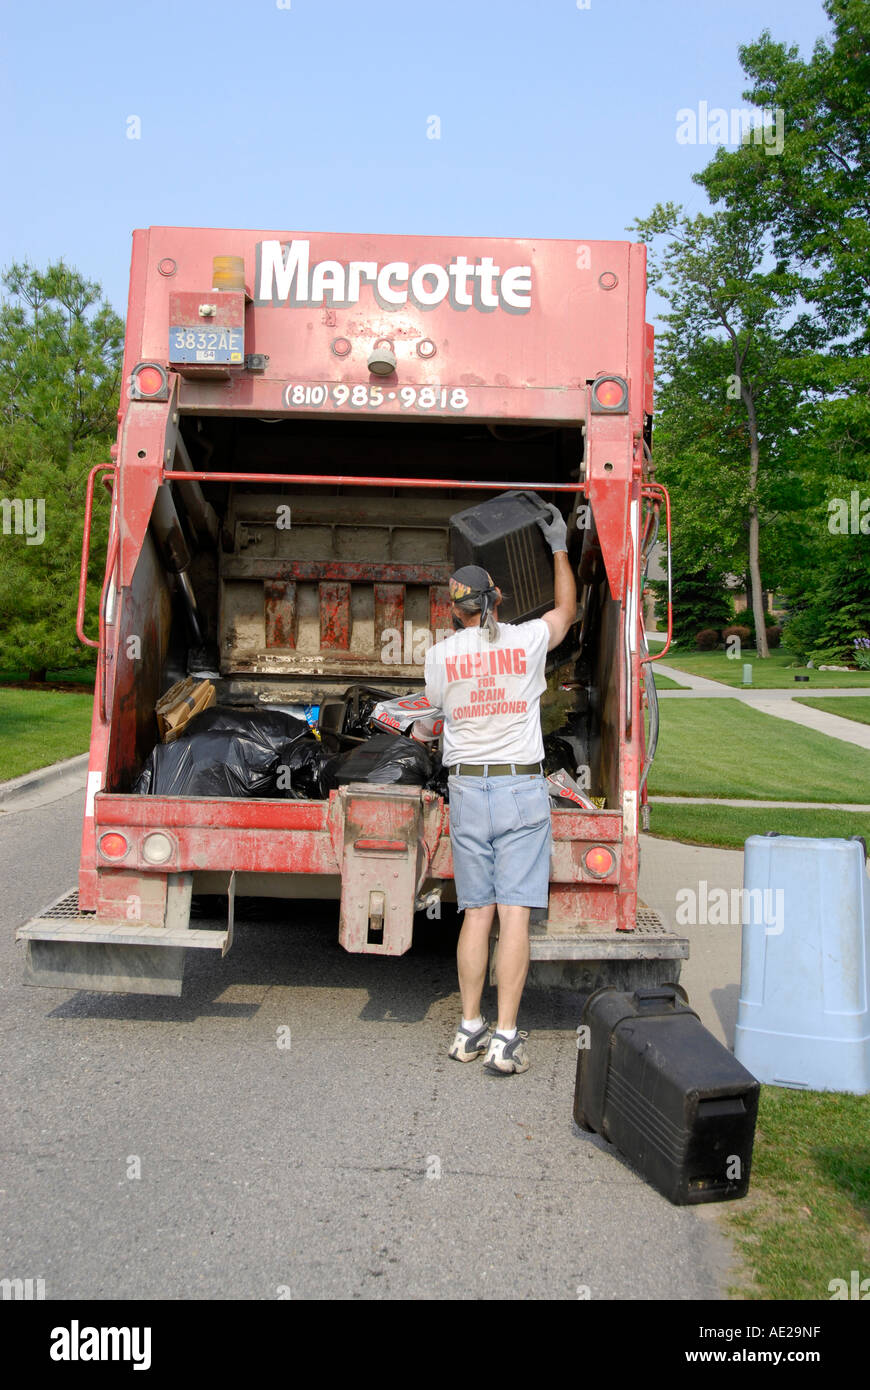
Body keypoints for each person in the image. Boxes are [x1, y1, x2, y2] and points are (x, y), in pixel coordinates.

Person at [422, 505, 577, 1075]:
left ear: (454, 609)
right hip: (519, 791)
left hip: (467, 793)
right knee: (515, 915)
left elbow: (438, 713)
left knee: (477, 913)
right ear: (498, 597)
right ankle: (506, 1038)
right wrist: (558, 547)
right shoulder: (531, 640)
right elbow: (567, 610)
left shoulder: (439, 657)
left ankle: (468, 1029)